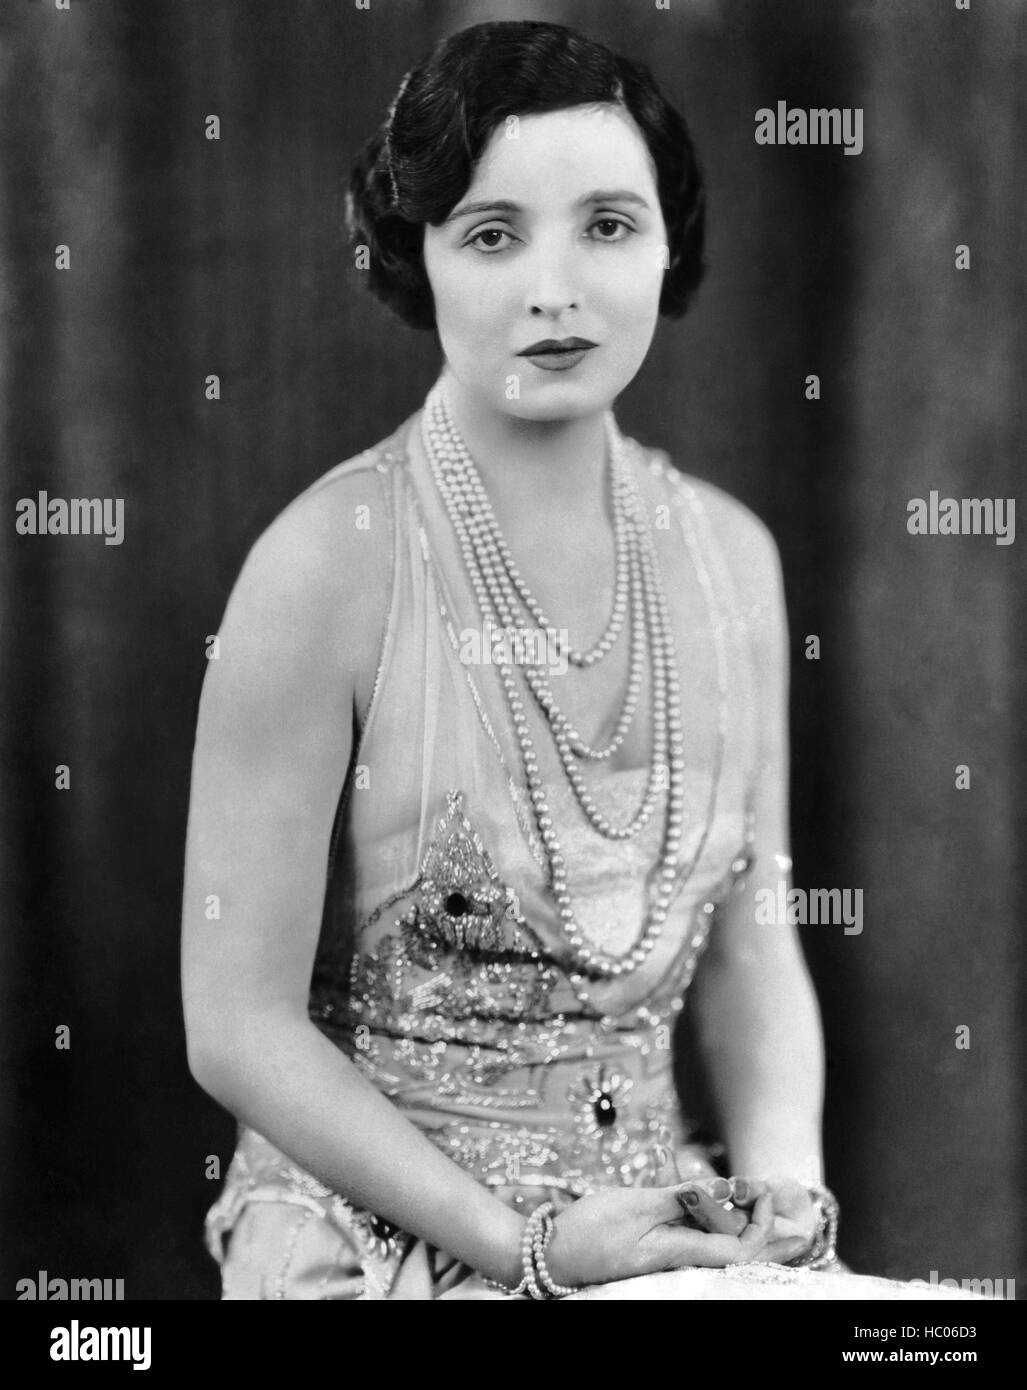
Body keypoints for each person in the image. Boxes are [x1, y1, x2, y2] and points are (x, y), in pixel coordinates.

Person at [181, 20, 976, 1301]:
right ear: (418, 257)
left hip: (660, 1231)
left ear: (668, 247)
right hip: (382, 1241)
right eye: (493, 234)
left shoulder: (733, 557)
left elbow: (754, 942)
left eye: (607, 225)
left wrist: (783, 1206)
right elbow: (234, 1027)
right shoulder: (324, 564)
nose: (555, 288)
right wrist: (530, 1249)